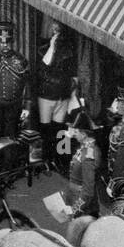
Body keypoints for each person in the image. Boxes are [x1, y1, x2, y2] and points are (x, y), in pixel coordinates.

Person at [36, 22, 78, 169]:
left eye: (58, 30)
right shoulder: (43, 49)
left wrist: (74, 95)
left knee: (61, 129)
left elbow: (74, 75)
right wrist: (52, 46)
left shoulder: (69, 50)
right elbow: (45, 65)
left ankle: (60, 160)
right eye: (53, 30)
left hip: (63, 95)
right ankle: (45, 159)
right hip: (46, 96)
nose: (56, 32)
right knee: (46, 129)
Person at [59, 112, 103, 244]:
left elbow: (88, 191)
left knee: (75, 242)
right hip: (75, 198)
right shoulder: (84, 148)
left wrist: (75, 209)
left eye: (76, 132)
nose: (74, 134)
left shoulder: (89, 155)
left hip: (84, 208)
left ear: (84, 134)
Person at [0, 20, 30, 139]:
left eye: (8, 43)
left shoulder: (21, 59)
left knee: (11, 135)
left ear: (12, 42)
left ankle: (9, 158)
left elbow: (27, 83)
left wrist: (27, 107)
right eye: (2, 43)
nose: (5, 46)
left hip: (14, 104)